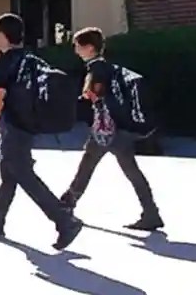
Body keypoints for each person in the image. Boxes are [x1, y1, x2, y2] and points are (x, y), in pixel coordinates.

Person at [0, 13, 83, 250]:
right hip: (29, 123)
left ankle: (64, 219)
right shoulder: (29, 58)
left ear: (2, 34)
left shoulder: (3, 63)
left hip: (15, 126)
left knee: (23, 174)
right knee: (9, 171)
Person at [57, 28, 163, 230]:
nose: (76, 50)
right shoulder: (108, 67)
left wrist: (83, 97)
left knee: (100, 165)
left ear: (89, 48)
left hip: (108, 128)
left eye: (78, 46)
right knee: (115, 166)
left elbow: (92, 94)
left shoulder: (96, 69)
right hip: (115, 127)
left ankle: (67, 204)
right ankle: (151, 212)